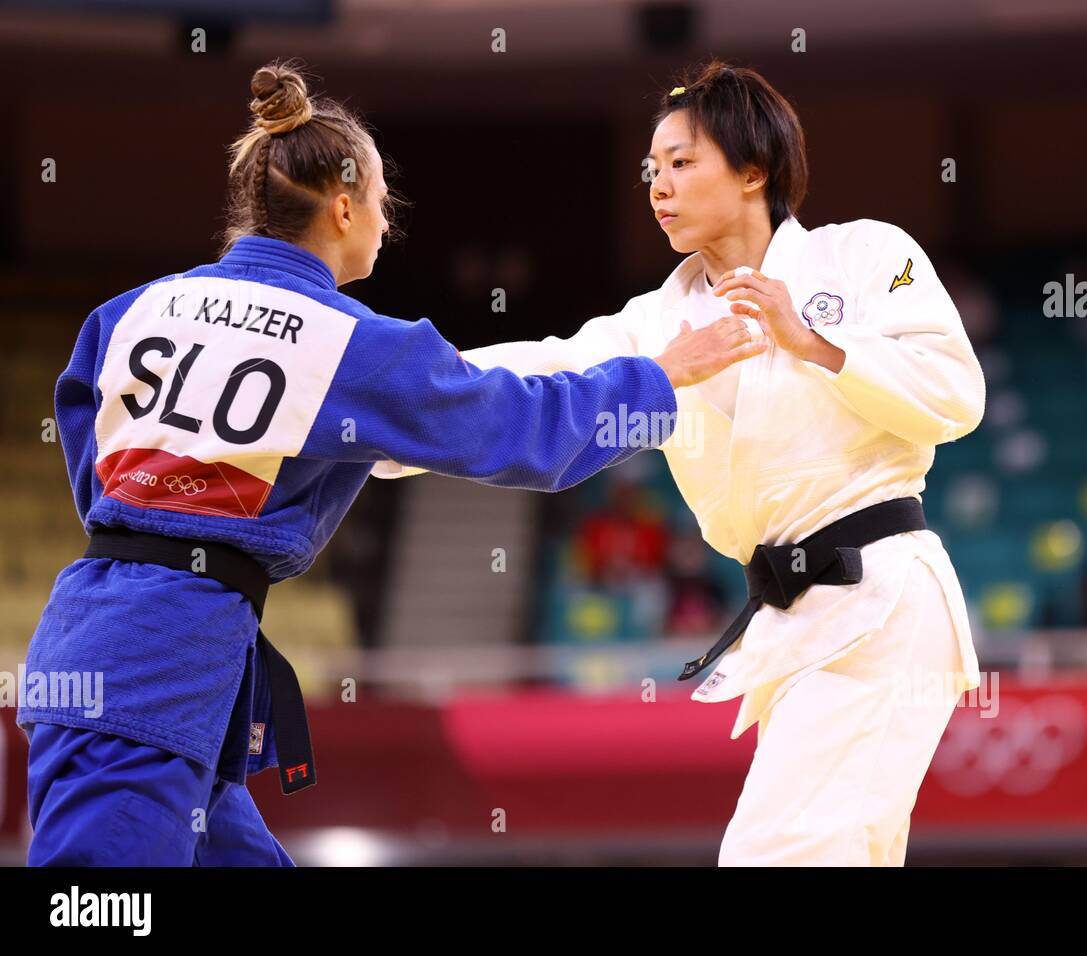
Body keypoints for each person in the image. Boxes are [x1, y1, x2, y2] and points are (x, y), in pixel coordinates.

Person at [16, 61, 763, 867]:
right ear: (343, 206)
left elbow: (89, 433)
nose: (386, 221)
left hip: (122, 648)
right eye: (381, 201)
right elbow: (520, 430)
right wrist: (661, 375)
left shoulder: (130, 309)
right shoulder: (349, 341)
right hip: (148, 676)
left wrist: (160, 519)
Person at [432, 60, 988, 865]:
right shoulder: (660, 323)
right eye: (651, 170)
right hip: (794, 615)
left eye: (682, 163)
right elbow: (541, 370)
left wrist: (816, 343)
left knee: (778, 854)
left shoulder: (862, 258)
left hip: (881, 599)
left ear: (754, 168)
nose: (658, 185)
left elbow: (955, 394)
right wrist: (391, 407)